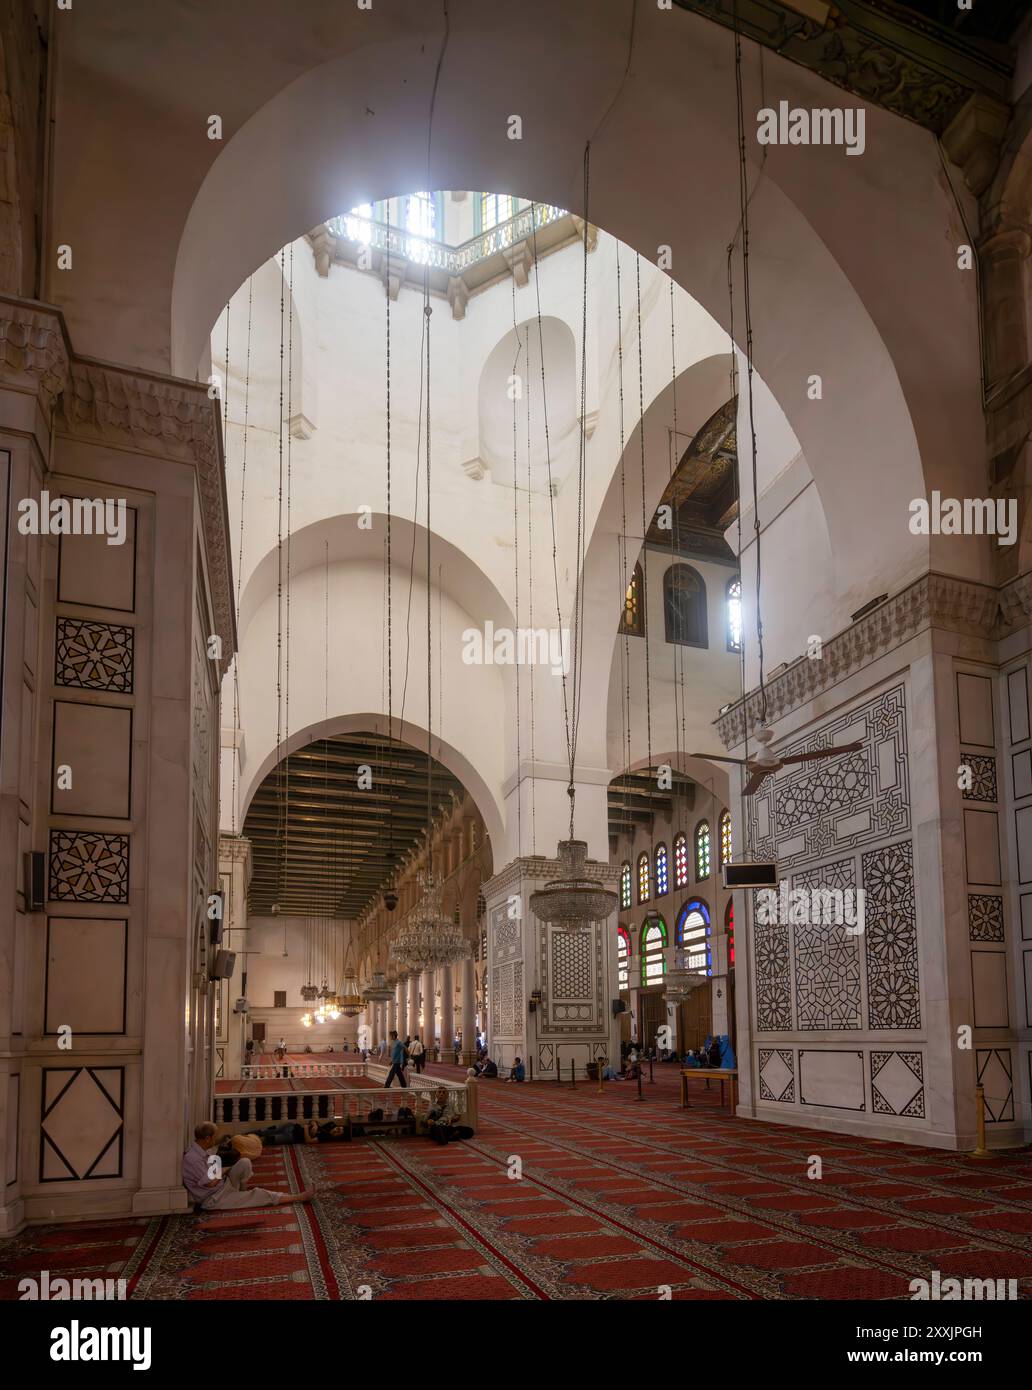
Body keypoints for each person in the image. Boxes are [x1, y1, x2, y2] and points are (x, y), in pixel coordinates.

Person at [182, 1122, 313, 1209]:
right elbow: (210, 1183)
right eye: (214, 1136)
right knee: (258, 1194)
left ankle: (242, 1192)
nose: (216, 1139)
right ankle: (299, 1197)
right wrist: (223, 1170)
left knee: (244, 1162)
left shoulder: (200, 1151)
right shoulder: (194, 1159)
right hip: (214, 1198)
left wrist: (224, 1169)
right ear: (207, 1139)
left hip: (223, 1186)